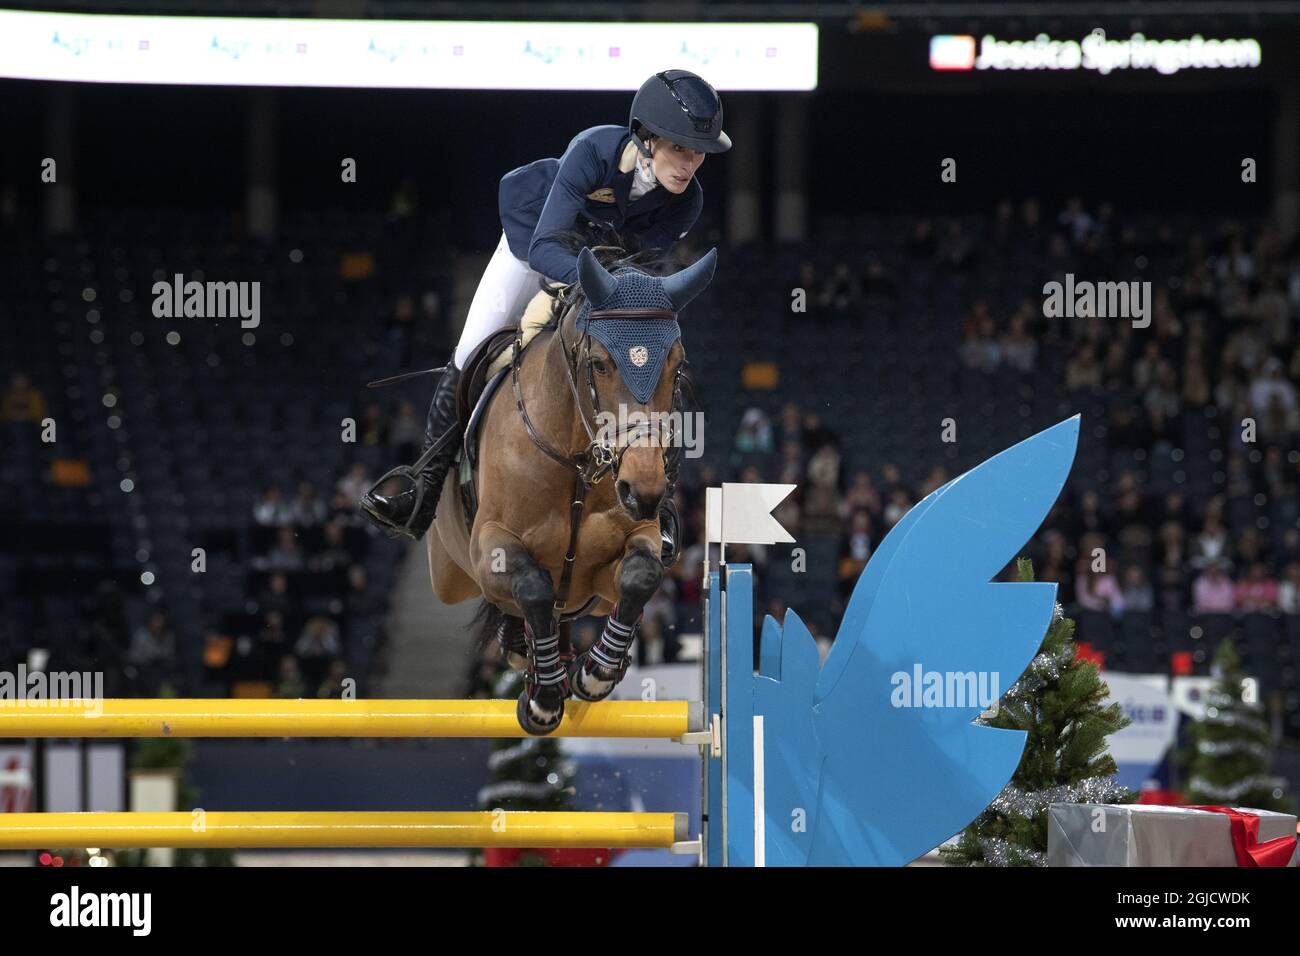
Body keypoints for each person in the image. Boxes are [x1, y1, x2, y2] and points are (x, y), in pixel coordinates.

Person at [360, 70, 731, 568]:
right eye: (682, 149)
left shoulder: (688, 202)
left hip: (603, 271)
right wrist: (595, 281)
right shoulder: (593, 151)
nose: (692, 163)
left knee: (656, 366)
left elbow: (639, 269)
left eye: (699, 152)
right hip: (534, 246)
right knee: (473, 345)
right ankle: (423, 489)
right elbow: (545, 245)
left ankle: (655, 505)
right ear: (647, 138)